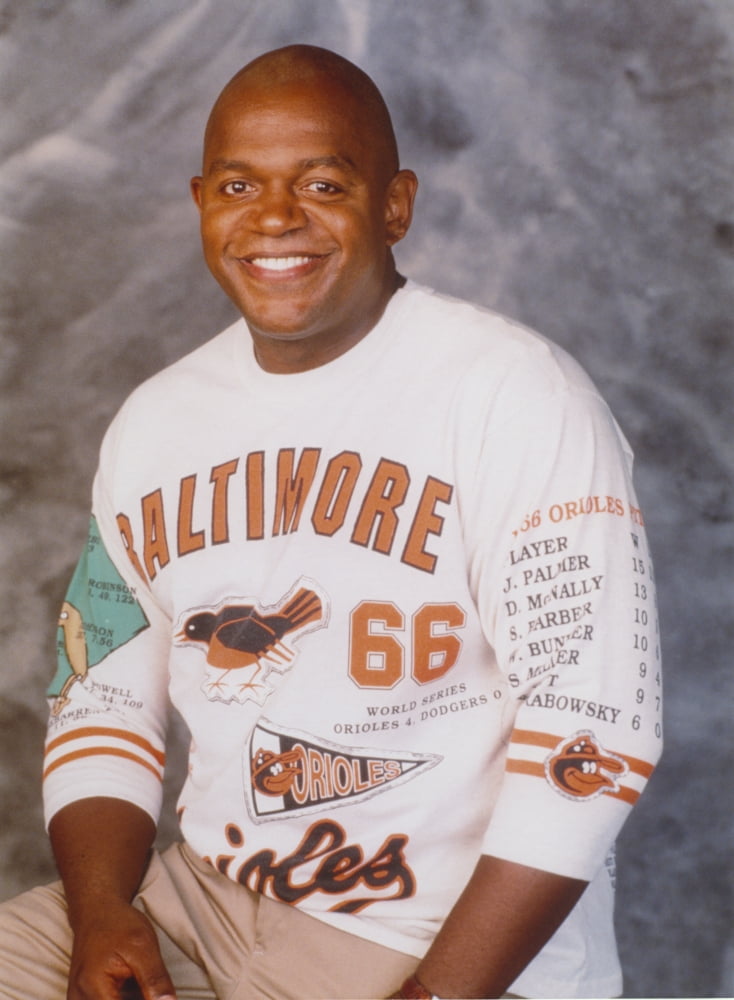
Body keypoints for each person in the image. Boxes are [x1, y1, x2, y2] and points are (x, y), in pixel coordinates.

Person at [0, 44, 662, 1000]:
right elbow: (102, 700)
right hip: (205, 902)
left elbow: (595, 733)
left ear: (394, 204)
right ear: (201, 202)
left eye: (321, 182)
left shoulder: (514, 394)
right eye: (240, 184)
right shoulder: (156, 422)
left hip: (430, 939)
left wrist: (438, 997)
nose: (275, 218)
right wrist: (105, 913)